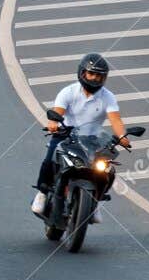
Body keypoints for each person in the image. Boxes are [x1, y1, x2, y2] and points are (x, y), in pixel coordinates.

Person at [31, 52, 131, 223]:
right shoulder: (68, 92)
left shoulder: (108, 96)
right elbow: (58, 111)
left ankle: (96, 202)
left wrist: (122, 136)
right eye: (91, 74)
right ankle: (41, 193)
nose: (94, 79)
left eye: (99, 76)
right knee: (50, 157)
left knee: (108, 170)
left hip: (93, 140)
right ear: (83, 73)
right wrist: (53, 123)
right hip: (66, 136)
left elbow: (115, 119)